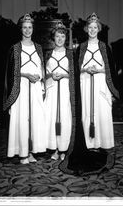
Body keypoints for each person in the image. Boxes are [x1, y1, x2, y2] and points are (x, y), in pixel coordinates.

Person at [59, 13, 119, 175]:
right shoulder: (82, 47)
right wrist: (86, 69)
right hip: (85, 83)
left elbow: (110, 69)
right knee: (86, 112)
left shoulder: (105, 47)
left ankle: (103, 144)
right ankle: (90, 144)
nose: (92, 30)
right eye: (90, 28)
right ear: (86, 29)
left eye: (95, 28)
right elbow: (77, 68)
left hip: (100, 84)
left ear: (98, 29)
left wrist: (98, 70)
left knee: (101, 112)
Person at [3, 13, 46, 164]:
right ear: (20, 29)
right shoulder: (15, 48)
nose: (27, 30)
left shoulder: (39, 48)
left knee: (34, 119)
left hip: (34, 88)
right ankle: (22, 153)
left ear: (33, 29)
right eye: (24, 28)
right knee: (22, 119)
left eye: (30, 27)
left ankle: (30, 151)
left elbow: (42, 68)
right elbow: (10, 72)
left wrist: (39, 77)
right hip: (20, 88)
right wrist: (26, 74)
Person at [44, 21, 75, 161]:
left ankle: (63, 149)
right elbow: (43, 73)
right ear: (53, 38)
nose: (60, 39)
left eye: (62, 36)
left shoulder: (70, 54)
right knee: (51, 117)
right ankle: (55, 148)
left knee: (64, 117)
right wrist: (51, 75)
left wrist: (64, 75)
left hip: (65, 89)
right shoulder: (48, 54)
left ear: (65, 38)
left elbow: (75, 74)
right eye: (57, 36)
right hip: (52, 89)